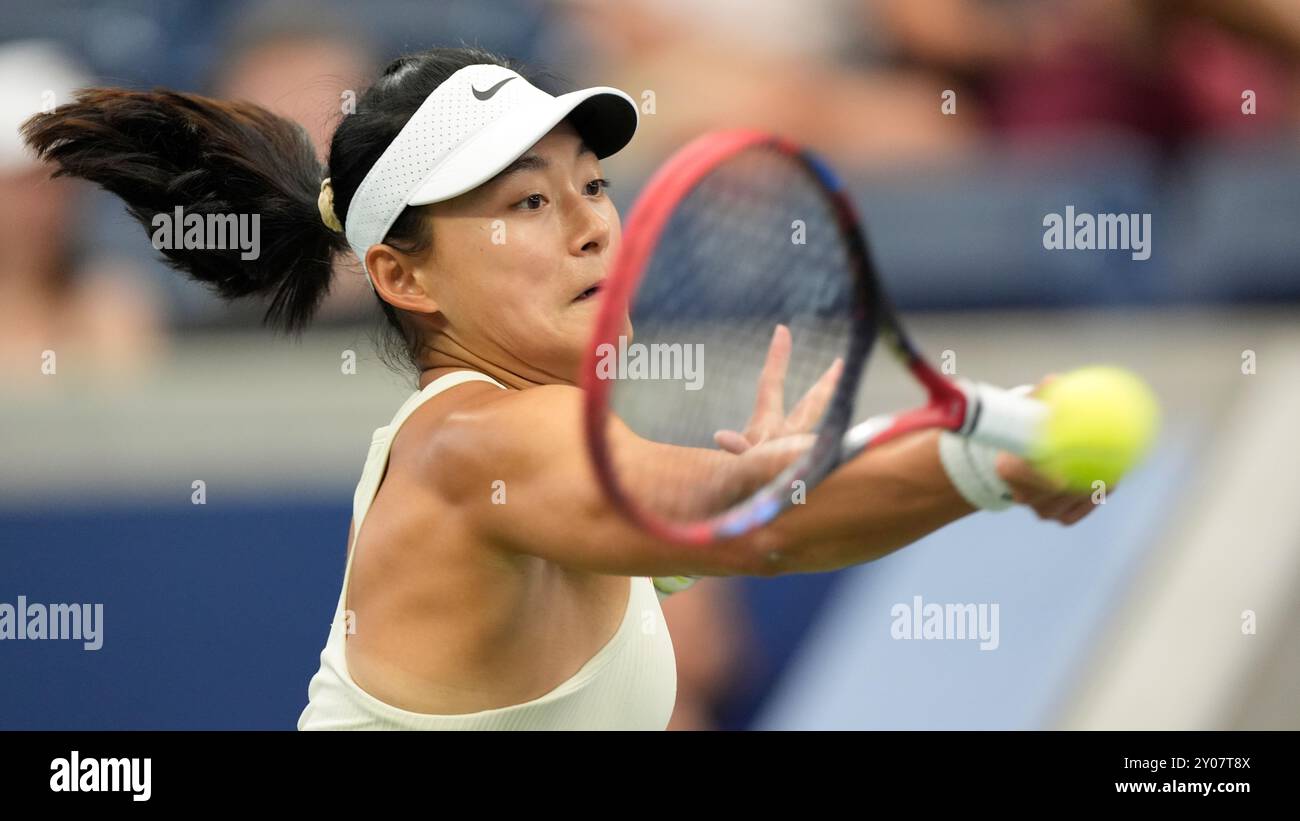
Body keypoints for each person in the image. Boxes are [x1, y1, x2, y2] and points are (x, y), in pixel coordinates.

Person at [22, 46, 1095, 731]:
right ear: (401, 274)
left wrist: (790, 486)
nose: (589, 224)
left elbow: (751, 520)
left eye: (591, 185)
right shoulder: (472, 447)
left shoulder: (532, 458)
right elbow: (749, 524)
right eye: (525, 205)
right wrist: (978, 460)